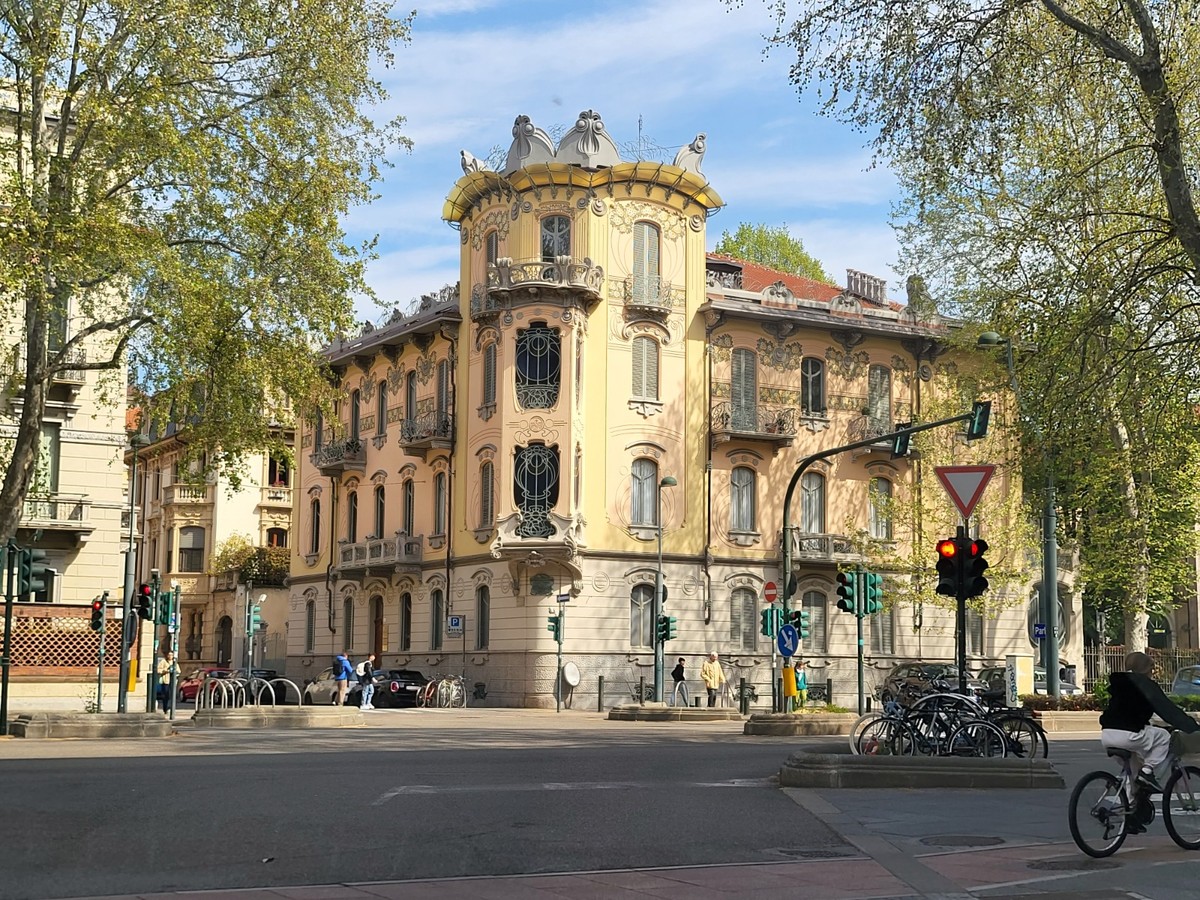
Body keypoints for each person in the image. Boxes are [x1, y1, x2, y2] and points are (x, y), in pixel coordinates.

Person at [1100, 651, 1199, 799]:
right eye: (1151, 669)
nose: (1152, 673)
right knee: (1164, 737)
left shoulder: (1121, 684)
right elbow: (1168, 711)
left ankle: (1129, 811)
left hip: (1108, 734)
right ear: (1146, 669)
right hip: (1128, 734)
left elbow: (1129, 712)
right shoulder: (1145, 685)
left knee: (1133, 773)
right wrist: (1192, 727)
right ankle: (1148, 771)